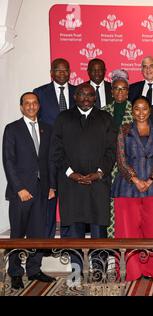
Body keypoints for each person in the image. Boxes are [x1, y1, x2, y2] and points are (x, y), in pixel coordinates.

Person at [50, 83, 117, 270]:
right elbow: (56, 151)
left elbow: (112, 151)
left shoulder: (105, 118)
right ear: (75, 97)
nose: (86, 98)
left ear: (95, 98)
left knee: (98, 230)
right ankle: (75, 272)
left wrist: (99, 173)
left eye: (90, 95)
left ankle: (99, 271)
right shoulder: (63, 118)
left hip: (98, 184)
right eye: (82, 94)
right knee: (74, 231)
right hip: (71, 185)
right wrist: (71, 174)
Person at [2, 92, 56, 289]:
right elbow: (8, 161)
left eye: (34, 103)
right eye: (27, 103)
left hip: (42, 191)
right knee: (18, 233)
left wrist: (52, 186)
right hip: (21, 193)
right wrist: (19, 188)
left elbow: (50, 159)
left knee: (38, 233)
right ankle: (15, 272)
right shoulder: (12, 129)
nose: (31, 106)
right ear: (21, 107)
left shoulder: (47, 129)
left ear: (39, 106)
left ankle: (34, 269)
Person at [111, 97, 153, 281]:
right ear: (132, 111)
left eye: (144, 109)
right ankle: (131, 271)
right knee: (128, 232)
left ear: (150, 111)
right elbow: (121, 159)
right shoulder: (124, 130)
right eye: (137, 109)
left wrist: (151, 180)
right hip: (127, 188)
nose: (141, 112)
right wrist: (135, 179)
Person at [33, 58, 76, 238]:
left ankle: (69, 244)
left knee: (70, 204)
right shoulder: (40, 93)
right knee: (49, 203)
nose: (61, 73)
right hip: (48, 157)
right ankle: (47, 243)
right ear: (52, 72)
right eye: (57, 70)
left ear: (69, 72)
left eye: (65, 70)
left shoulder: (78, 92)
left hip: (72, 157)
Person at [102, 70, 134, 238]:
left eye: (123, 89)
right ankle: (111, 243)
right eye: (116, 88)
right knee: (109, 205)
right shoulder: (103, 111)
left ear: (128, 92)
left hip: (129, 167)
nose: (120, 92)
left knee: (127, 205)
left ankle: (127, 239)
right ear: (111, 91)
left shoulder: (136, 112)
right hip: (108, 166)